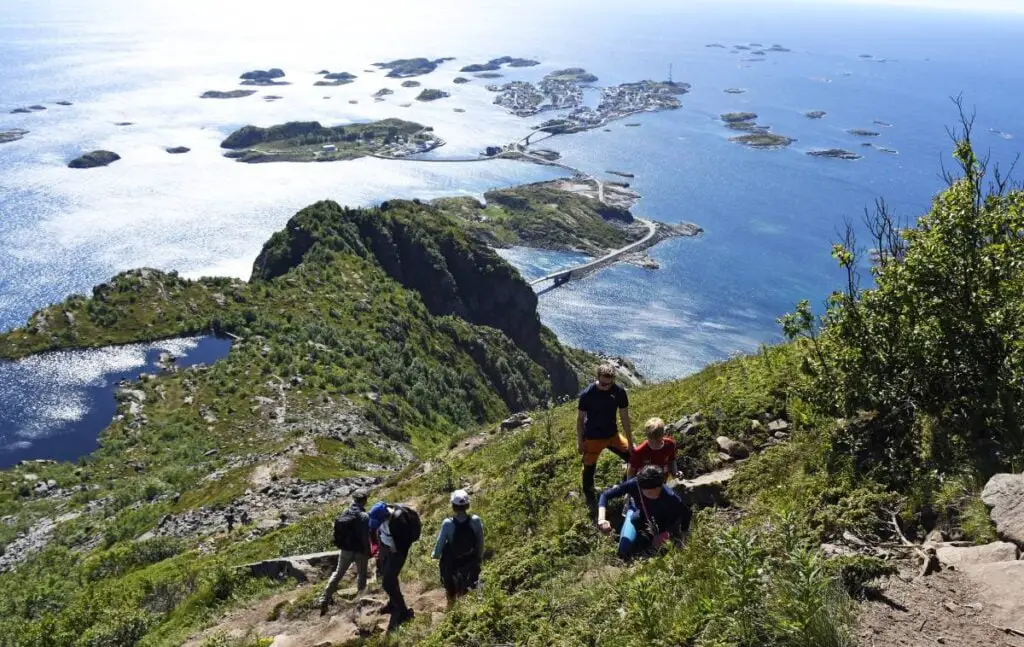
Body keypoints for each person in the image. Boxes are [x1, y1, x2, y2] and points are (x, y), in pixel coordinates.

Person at [597, 465, 691, 560]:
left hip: (662, 524)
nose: (649, 495)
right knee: (624, 551)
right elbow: (605, 495)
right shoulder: (635, 484)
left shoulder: (670, 497)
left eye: (652, 492)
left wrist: (680, 536)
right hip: (638, 514)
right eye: (646, 492)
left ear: (661, 485)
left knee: (658, 552)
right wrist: (602, 519)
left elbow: (685, 515)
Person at [578, 363, 633, 505]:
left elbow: (625, 418)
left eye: (608, 384)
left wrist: (631, 442)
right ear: (597, 378)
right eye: (602, 383)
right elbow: (580, 420)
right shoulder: (587, 394)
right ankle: (590, 497)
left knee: (634, 456)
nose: (605, 387)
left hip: (613, 436)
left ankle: (629, 484)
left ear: (613, 380)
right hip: (593, 437)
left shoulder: (619, 392)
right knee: (589, 469)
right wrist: (580, 442)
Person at [368, 501, 422, 631]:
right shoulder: (384, 517)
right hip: (387, 548)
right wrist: (380, 548)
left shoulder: (399, 521)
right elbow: (378, 531)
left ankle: (404, 612)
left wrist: (393, 550)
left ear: (385, 516)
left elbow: (403, 544)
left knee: (387, 582)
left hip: (398, 553)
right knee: (388, 576)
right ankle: (393, 603)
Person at [319, 488, 371, 616]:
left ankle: (325, 597)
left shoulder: (346, 512)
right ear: (364, 501)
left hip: (345, 549)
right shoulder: (364, 516)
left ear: (354, 500)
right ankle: (360, 599)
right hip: (359, 550)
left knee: (338, 573)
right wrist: (367, 549)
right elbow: (365, 536)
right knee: (362, 574)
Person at [431, 489, 485, 606]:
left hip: (453, 563)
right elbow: (480, 542)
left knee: (450, 588)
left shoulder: (448, 523)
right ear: (467, 505)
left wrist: (435, 555)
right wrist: (479, 556)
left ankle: (452, 606)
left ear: (453, 506)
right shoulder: (476, 520)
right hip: (470, 559)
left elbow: (439, 544)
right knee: (472, 585)